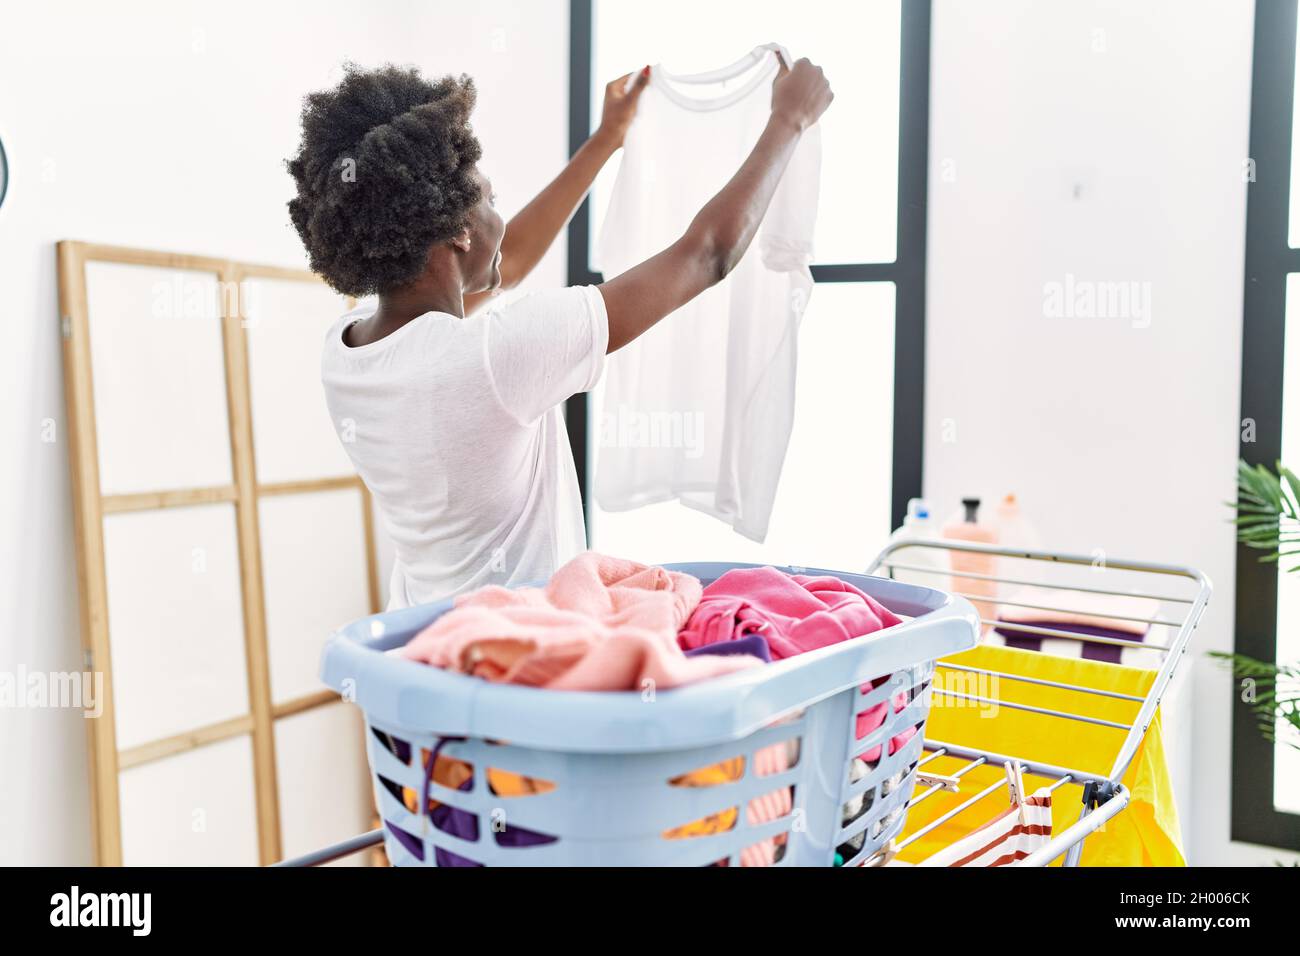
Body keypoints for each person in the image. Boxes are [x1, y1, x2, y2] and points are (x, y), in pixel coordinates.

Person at [289, 58, 832, 609]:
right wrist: (789, 119)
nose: (498, 216)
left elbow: (511, 261)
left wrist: (606, 139)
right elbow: (708, 255)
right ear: (456, 228)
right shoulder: (494, 357)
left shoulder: (346, 350)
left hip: (424, 648)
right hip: (519, 658)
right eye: (490, 200)